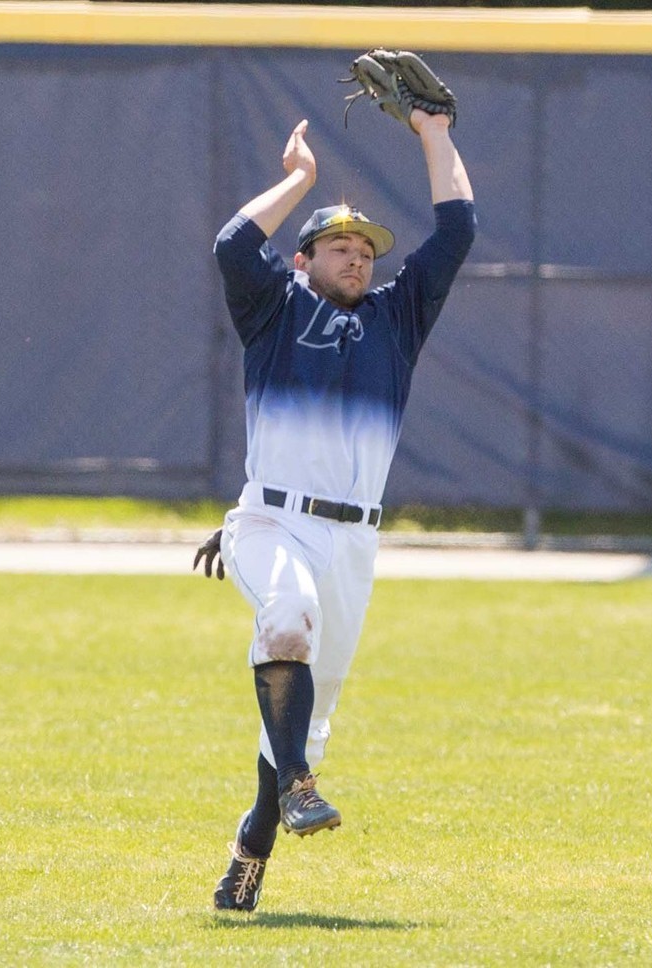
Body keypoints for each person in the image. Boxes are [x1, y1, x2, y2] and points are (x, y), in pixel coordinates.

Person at [201, 110, 474, 912]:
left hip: (353, 543)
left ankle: (257, 836)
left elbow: (457, 229)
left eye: (365, 250)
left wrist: (434, 133)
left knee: (305, 718)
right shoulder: (274, 307)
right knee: (288, 616)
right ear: (302, 258)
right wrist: (300, 180)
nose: (357, 257)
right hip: (272, 521)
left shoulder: (398, 319)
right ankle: (297, 784)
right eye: (339, 246)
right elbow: (231, 245)